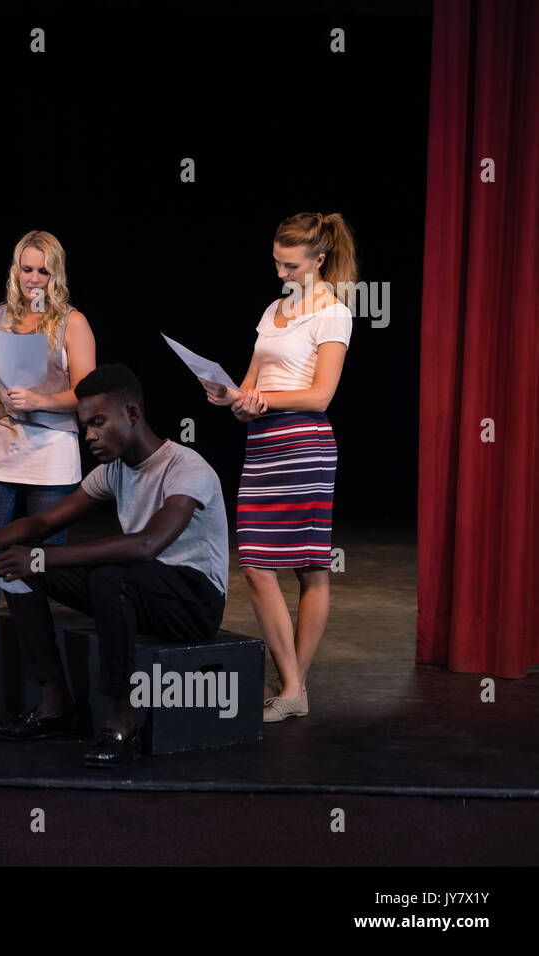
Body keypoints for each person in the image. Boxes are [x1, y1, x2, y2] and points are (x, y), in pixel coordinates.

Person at [0, 364, 228, 766]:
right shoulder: (114, 470)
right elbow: (44, 522)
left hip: (193, 602)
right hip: (141, 589)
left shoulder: (186, 467)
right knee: (16, 565)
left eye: (97, 423)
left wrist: (42, 556)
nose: (89, 436)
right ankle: (55, 703)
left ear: (132, 414)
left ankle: (122, 721)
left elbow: (147, 545)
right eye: (84, 426)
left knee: (107, 575)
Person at [200, 212, 355, 723]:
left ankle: (292, 687)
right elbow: (252, 383)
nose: (281, 274)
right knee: (257, 565)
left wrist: (262, 400)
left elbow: (320, 394)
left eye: (290, 265)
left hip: (304, 447)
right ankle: (293, 684)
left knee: (309, 565)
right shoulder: (273, 310)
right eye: (276, 263)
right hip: (263, 446)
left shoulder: (333, 313)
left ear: (319, 260)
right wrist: (232, 398)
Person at [0, 229, 96, 678]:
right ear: (15, 271)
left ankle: (38, 661)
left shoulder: (72, 322)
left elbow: (88, 394)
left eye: (43, 271)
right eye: (27, 269)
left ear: (55, 273)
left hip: (53, 453)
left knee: (44, 563)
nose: (34, 279)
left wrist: (42, 400)